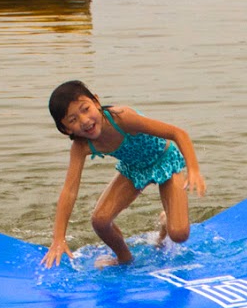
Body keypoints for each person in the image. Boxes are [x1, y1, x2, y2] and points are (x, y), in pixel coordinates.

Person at [42, 80, 207, 269]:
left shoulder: (122, 118)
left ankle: (165, 222)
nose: (85, 120)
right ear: (66, 129)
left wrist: (193, 169)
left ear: (96, 101)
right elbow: (69, 190)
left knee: (179, 234)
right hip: (133, 168)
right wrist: (58, 239)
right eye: (73, 120)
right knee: (100, 221)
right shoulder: (81, 146)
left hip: (164, 159)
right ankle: (124, 258)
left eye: (85, 109)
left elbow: (178, 133)